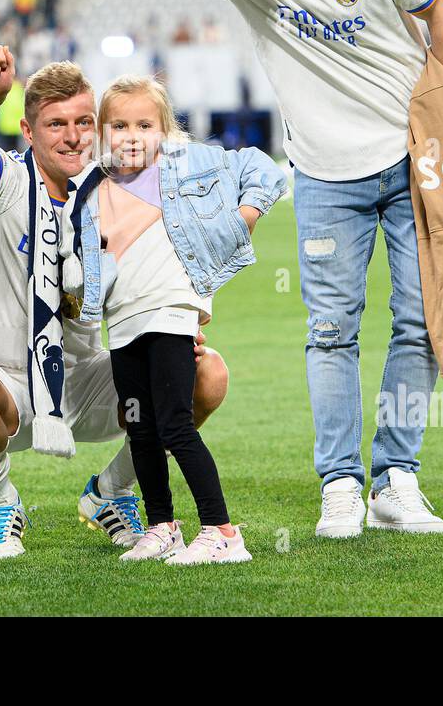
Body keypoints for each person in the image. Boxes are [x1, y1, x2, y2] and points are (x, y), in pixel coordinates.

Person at [121, 0, 443, 539]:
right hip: (323, 175)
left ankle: (397, 479)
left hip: (411, 161)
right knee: (331, 333)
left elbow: (442, 11)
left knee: (419, 324)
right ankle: (340, 485)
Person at [0, 46, 231, 559]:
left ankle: (110, 492)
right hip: (6, 381)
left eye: (83, 122)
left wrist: (178, 324)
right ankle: (2, 503)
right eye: (55, 124)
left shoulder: (109, 191)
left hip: (88, 376)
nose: (72, 136)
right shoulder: (5, 182)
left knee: (207, 375)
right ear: (28, 132)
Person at [65, 75, 286, 564]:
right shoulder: (90, 187)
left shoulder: (187, 164)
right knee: (140, 428)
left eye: (145, 124)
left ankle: (222, 532)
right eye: (119, 125)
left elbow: (263, 169)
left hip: (168, 310)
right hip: (123, 321)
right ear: (102, 131)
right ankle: (162, 526)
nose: (132, 135)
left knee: (175, 425)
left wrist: (242, 218)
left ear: (164, 129)